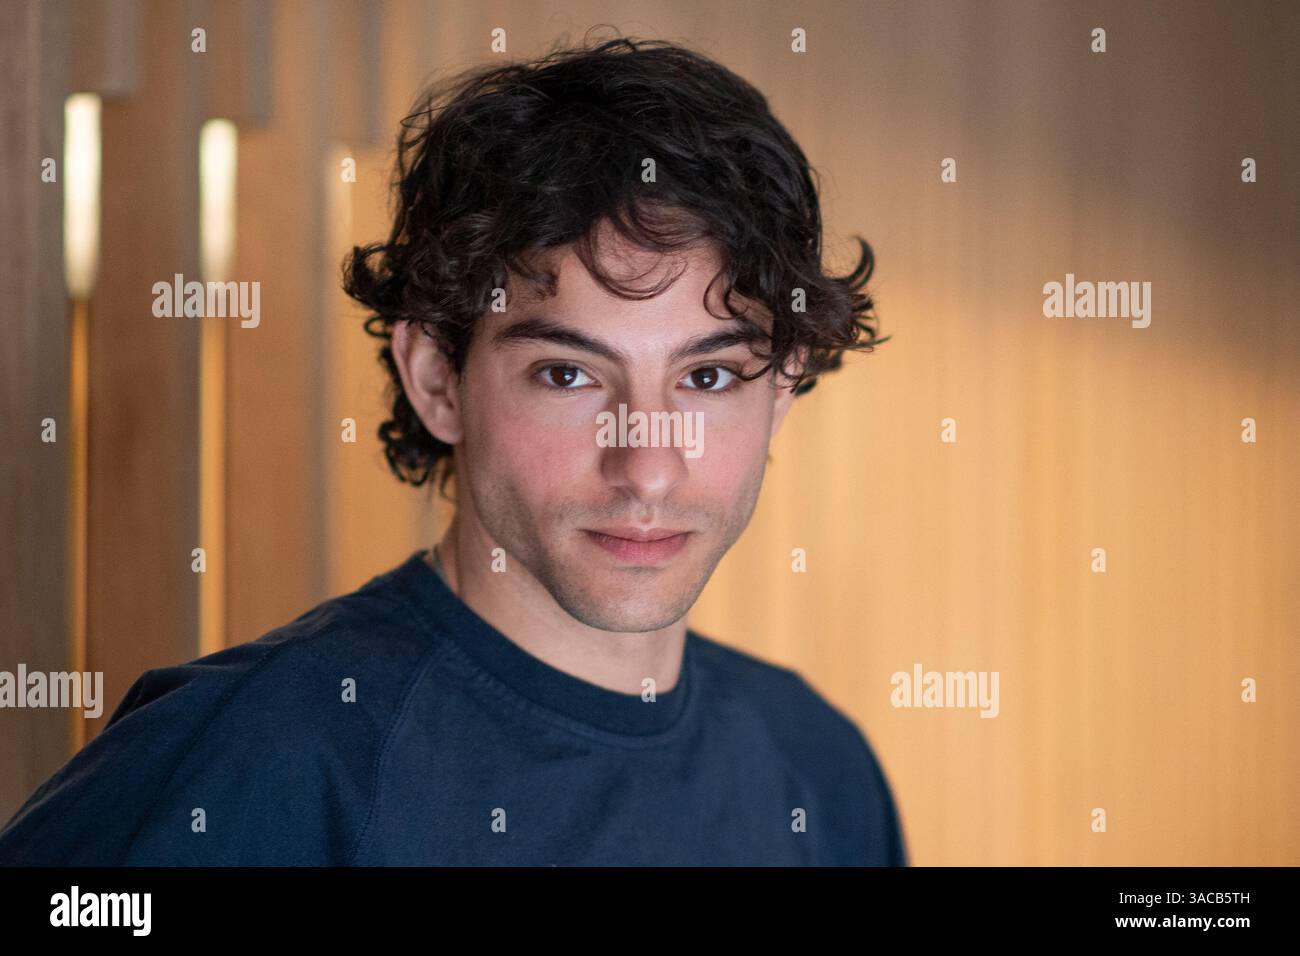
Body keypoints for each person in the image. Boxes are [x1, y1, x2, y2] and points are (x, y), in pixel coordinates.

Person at [0, 35, 903, 866]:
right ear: (437, 378)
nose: (649, 464)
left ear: (782, 387)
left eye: (707, 380)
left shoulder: (818, 769)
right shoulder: (253, 763)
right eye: (568, 375)